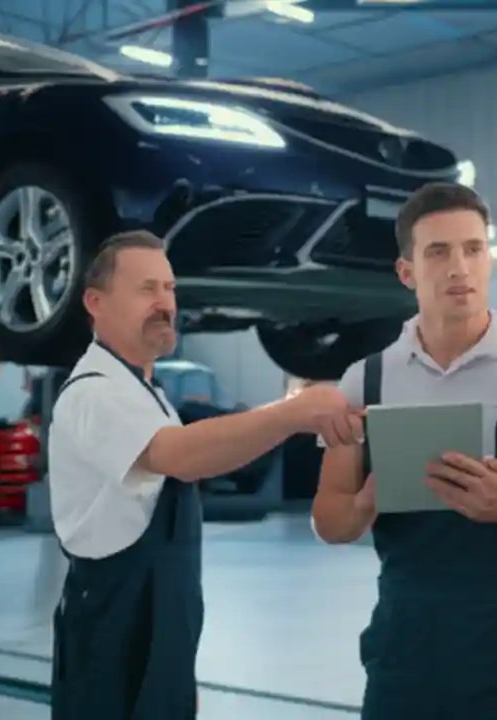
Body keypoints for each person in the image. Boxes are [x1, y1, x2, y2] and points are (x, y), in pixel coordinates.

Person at [47, 229, 360, 720]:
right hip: (111, 642)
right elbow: (181, 456)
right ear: (96, 302)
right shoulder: (93, 391)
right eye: (146, 289)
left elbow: (205, 453)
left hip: (159, 639)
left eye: (170, 289)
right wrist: (291, 412)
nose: (165, 302)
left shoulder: (147, 394)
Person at [311, 182, 497, 719]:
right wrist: (368, 500)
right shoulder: (364, 382)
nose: (458, 266)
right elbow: (329, 519)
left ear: (489, 260)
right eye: (437, 252)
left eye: (473, 249)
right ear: (407, 272)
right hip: (406, 650)